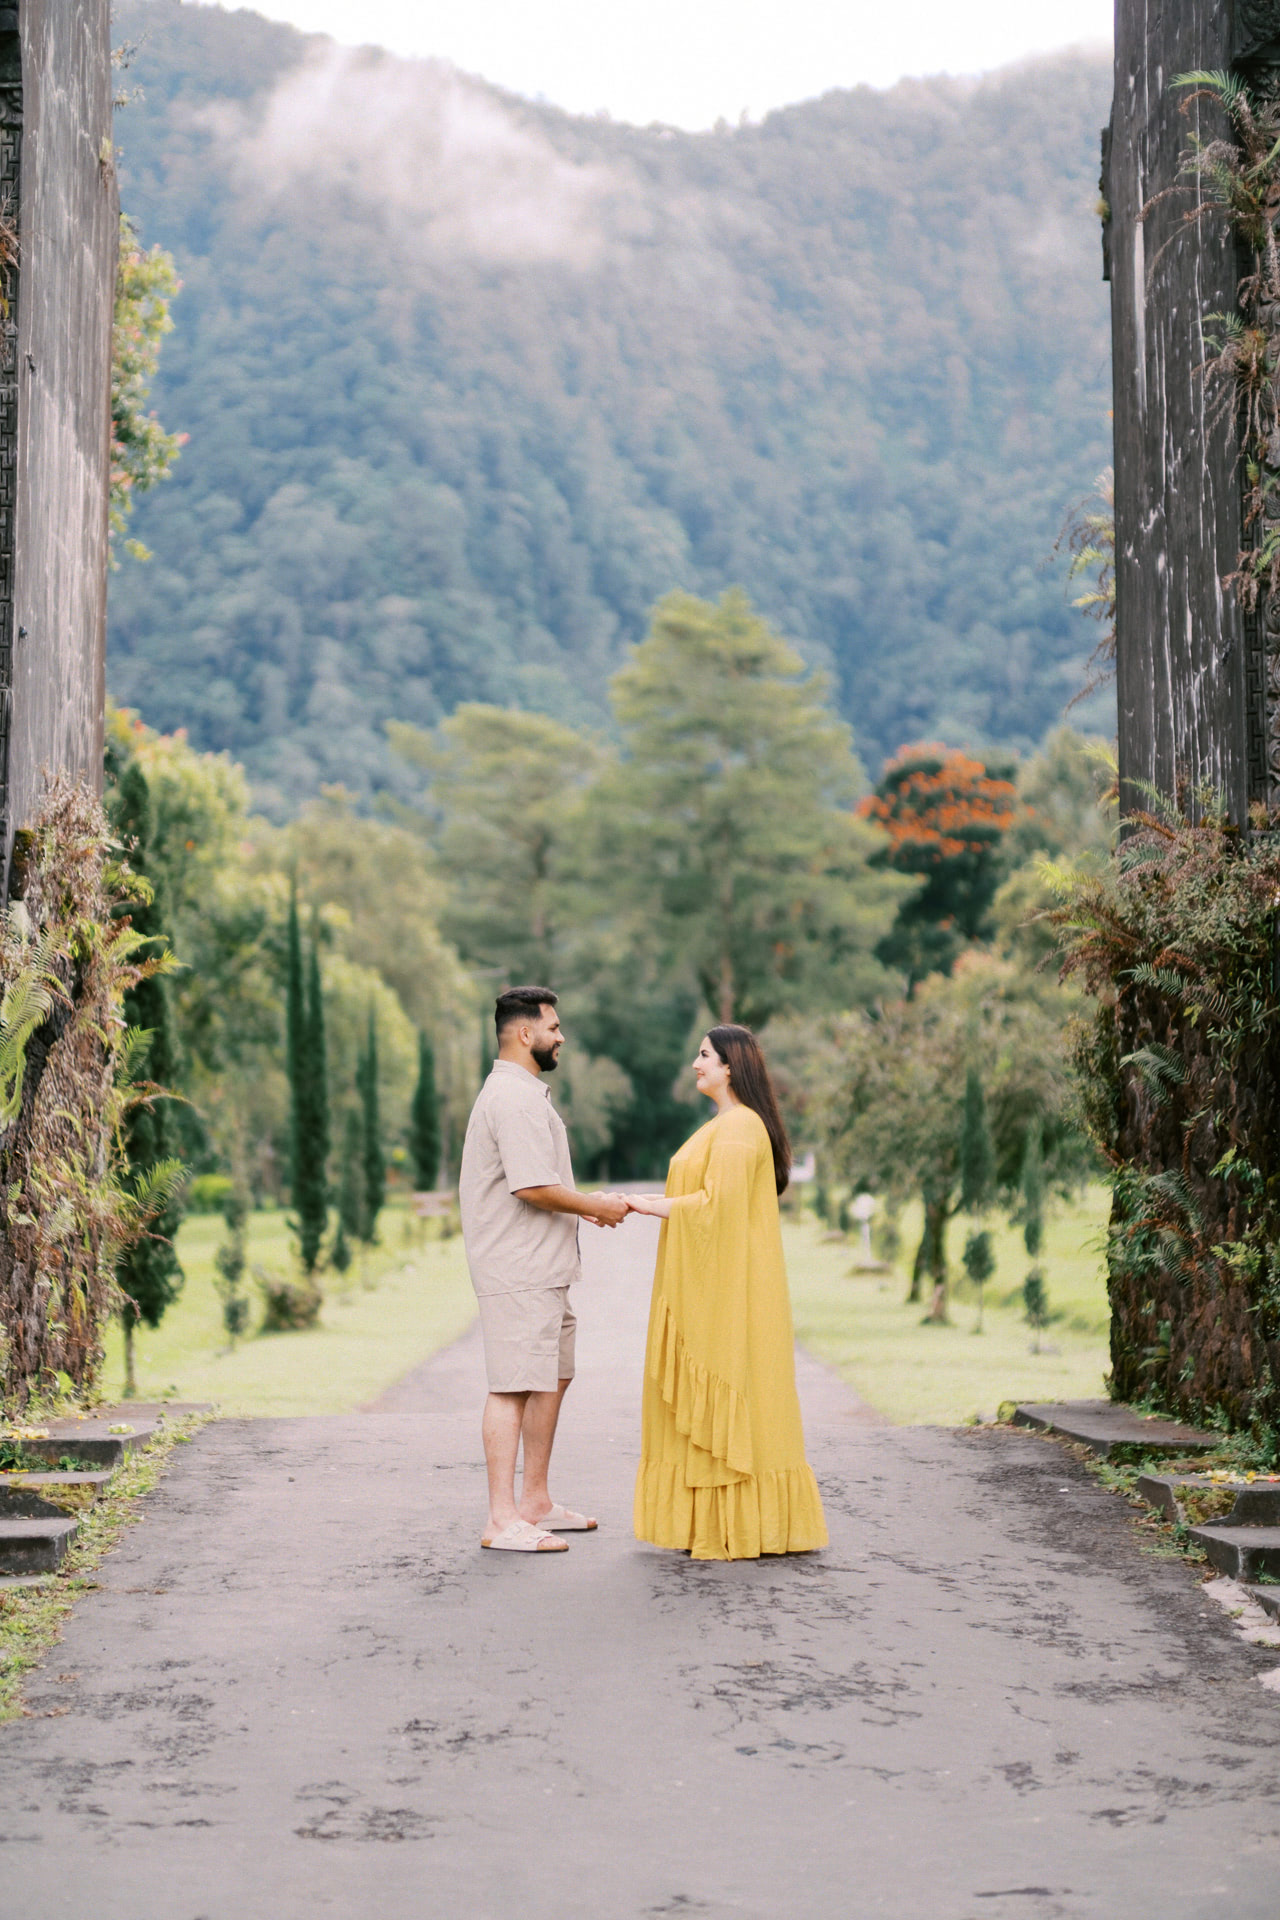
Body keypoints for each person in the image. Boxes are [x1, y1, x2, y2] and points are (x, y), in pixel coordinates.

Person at [628, 1024, 828, 1562]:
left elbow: (719, 1208)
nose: (695, 1064)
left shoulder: (740, 1128)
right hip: (711, 1284)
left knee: (739, 1382)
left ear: (730, 1066)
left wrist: (645, 1205)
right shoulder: (725, 1125)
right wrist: (645, 1202)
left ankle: (741, 1521)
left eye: (704, 1055)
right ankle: (712, 1519)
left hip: (732, 1291)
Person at [459, 985, 629, 1553]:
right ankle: (501, 1519)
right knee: (512, 1385)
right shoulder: (511, 1098)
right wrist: (595, 1205)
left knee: (552, 1375)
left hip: (544, 1269)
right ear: (525, 1033)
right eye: (554, 1027)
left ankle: (534, 1500)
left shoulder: (526, 1093)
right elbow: (531, 1186)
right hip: (518, 1270)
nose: (562, 1036)